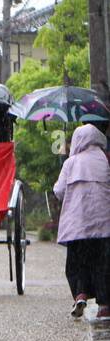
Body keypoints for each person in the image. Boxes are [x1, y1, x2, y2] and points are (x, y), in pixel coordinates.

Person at [53, 123, 110, 318]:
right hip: (103, 223)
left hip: (77, 224)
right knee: (102, 263)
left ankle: (80, 294)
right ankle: (104, 305)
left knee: (77, 262)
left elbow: (58, 191)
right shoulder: (106, 159)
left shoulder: (71, 163)